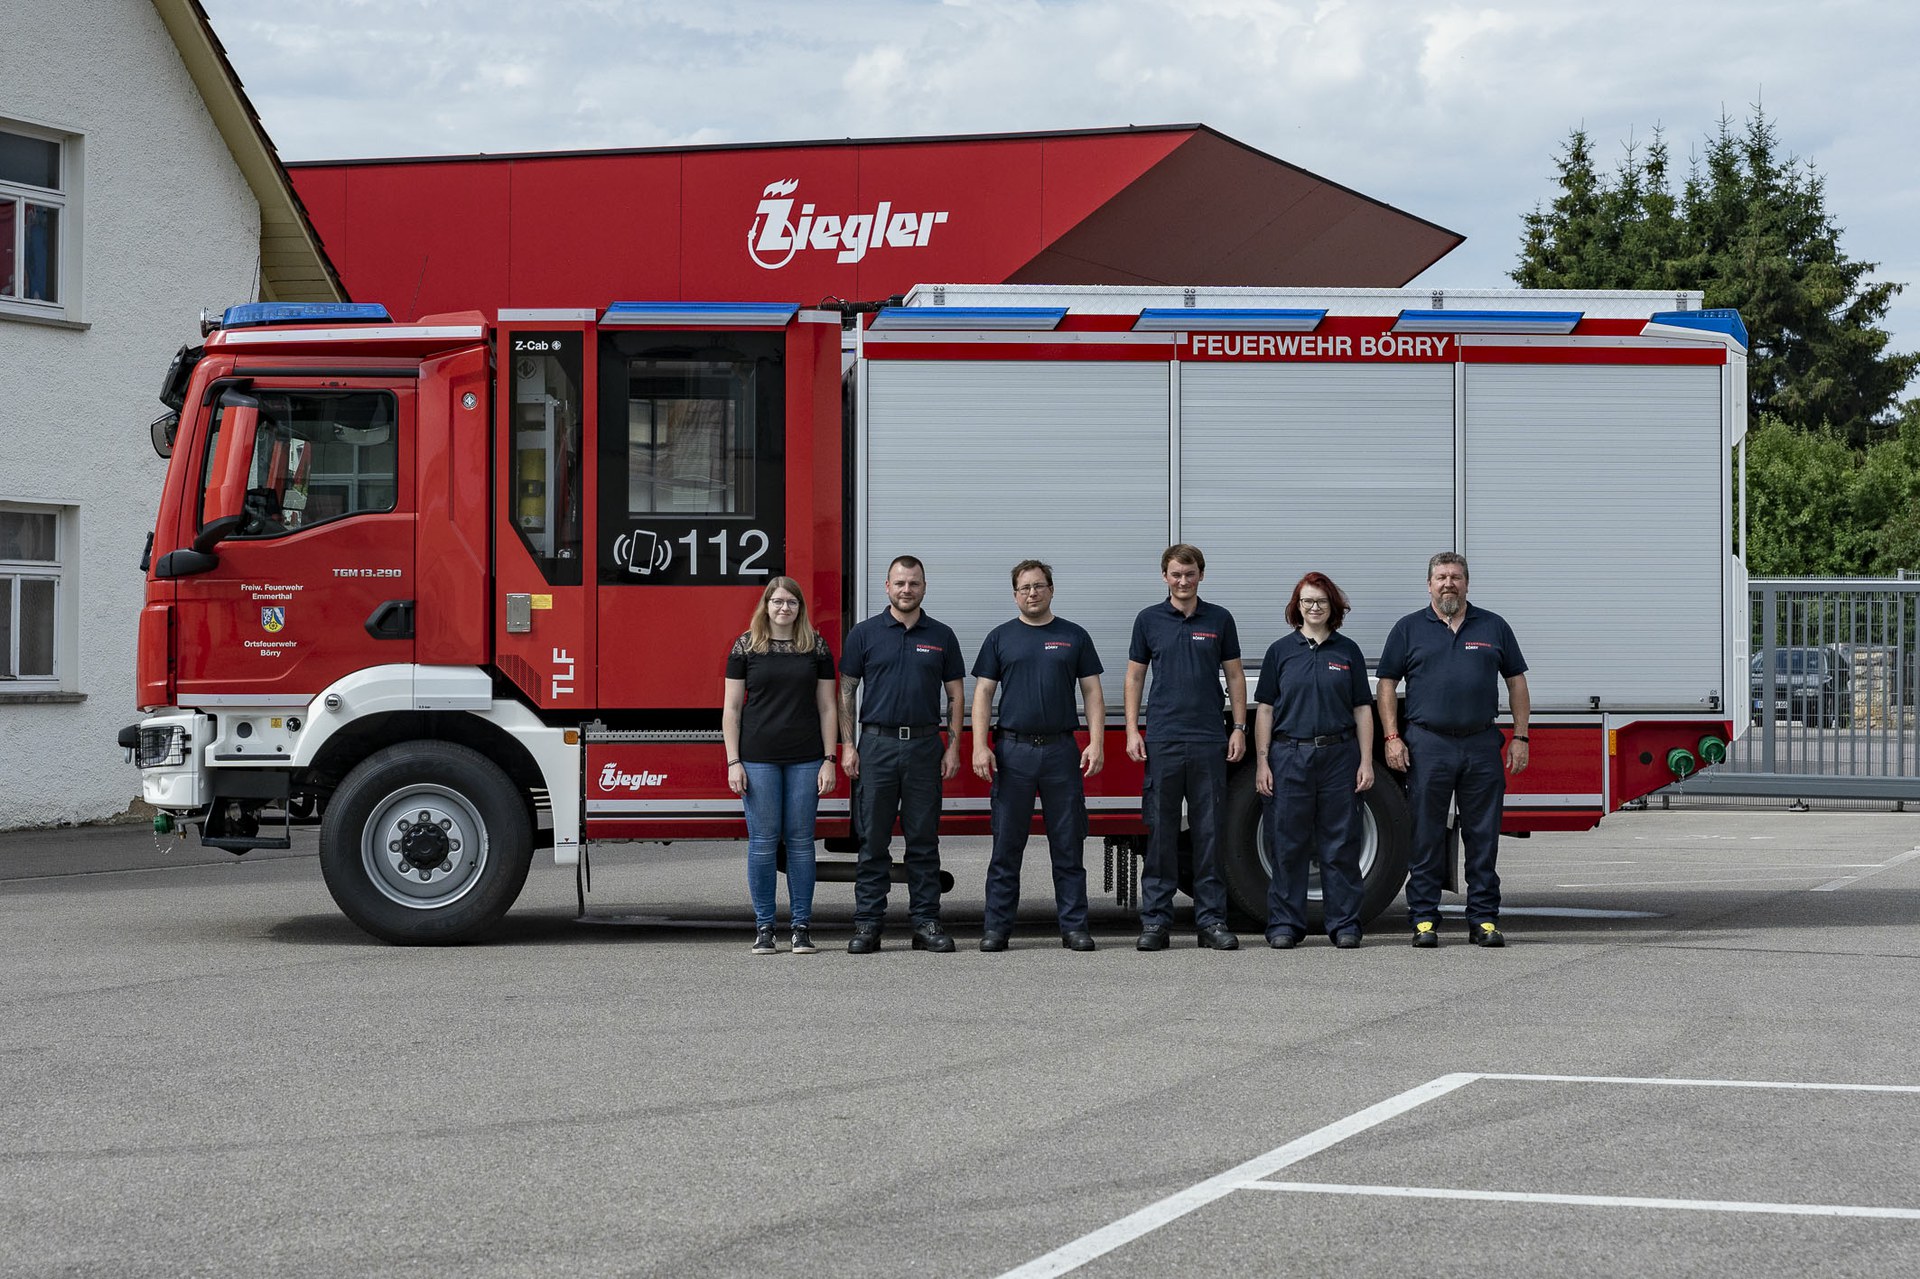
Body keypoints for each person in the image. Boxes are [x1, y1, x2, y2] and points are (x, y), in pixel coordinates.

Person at [1376, 552, 1530, 949]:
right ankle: (1424, 919)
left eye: (1456, 577)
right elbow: (1387, 684)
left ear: (1466, 583)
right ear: (1429, 584)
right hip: (1428, 744)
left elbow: (1516, 681)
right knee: (1425, 836)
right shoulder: (1408, 629)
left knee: (1483, 837)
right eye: (1441, 577)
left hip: (1481, 743)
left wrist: (1521, 736)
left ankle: (1484, 920)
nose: (1449, 583)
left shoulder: (1493, 626)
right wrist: (1392, 737)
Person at [971, 560, 1105, 952]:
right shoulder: (1000, 638)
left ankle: (1075, 927)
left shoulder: (1073, 636)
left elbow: (1092, 692)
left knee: (1068, 844)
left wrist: (1096, 742)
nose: (1032, 593)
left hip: (1061, 751)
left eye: (1039, 586)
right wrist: (980, 745)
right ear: (1015, 594)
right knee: (1006, 845)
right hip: (1012, 753)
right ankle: (997, 929)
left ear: (1051, 589)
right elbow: (983, 694)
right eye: (1025, 587)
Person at [839, 555, 966, 954]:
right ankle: (867, 925)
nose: (906, 589)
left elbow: (956, 694)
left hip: (925, 747)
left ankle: (926, 923)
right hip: (876, 746)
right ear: (887, 587)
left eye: (913, 583)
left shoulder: (942, 635)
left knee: (924, 841)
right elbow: (846, 690)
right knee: (872, 842)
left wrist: (953, 746)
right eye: (899, 583)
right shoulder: (864, 634)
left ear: (924, 587)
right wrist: (848, 745)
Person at [1124, 544, 1246, 951]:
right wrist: (1132, 730)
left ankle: (1211, 922)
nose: (1183, 581)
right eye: (1175, 574)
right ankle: (1155, 923)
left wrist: (1239, 728)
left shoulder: (1220, 619)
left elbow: (1234, 676)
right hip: (1163, 739)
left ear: (1201, 575)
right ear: (1165, 576)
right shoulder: (1148, 620)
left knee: (1209, 833)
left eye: (1189, 573)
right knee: (1160, 832)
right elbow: (1135, 678)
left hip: (1209, 738)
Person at [1253, 572, 1375, 949]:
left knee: (1341, 843)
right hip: (1289, 756)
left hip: (1340, 757)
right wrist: (1263, 763)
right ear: (1297, 606)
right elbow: (1265, 710)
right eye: (1307, 601)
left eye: (1321, 601)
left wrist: (1366, 761)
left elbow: (1362, 709)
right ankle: (1285, 925)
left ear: (1332, 606)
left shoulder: (1348, 652)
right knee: (1287, 844)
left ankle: (1345, 925)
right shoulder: (1280, 652)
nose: (1314, 607)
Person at [722, 577, 839, 956]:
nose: (784, 608)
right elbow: (731, 710)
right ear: (766, 606)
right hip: (757, 759)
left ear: (800, 607)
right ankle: (765, 928)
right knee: (763, 843)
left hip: (807, 757)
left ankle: (801, 928)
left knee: (801, 843)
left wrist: (829, 759)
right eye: (777, 601)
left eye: (791, 602)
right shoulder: (746, 646)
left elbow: (828, 707)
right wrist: (734, 761)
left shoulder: (816, 647)